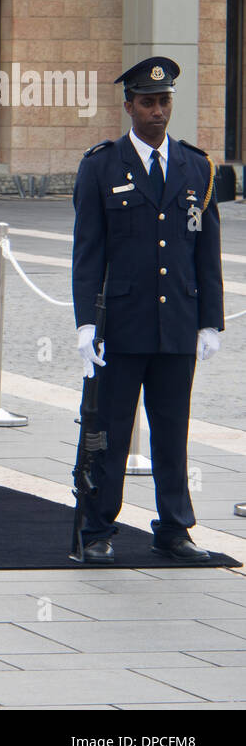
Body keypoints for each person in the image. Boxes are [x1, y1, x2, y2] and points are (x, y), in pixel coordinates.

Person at [71, 56, 223, 564]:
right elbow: (88, 250)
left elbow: (206, 249)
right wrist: (85, 323)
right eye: (148, 102)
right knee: (109, 431)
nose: (158, 111)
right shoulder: (101, 165)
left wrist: (210, 320)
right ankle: (96, 529)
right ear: (129, 106)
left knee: (172, 428)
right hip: (123, 324)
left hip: (177, 322)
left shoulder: (196, 166)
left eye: (165, 101)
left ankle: (174, 528)